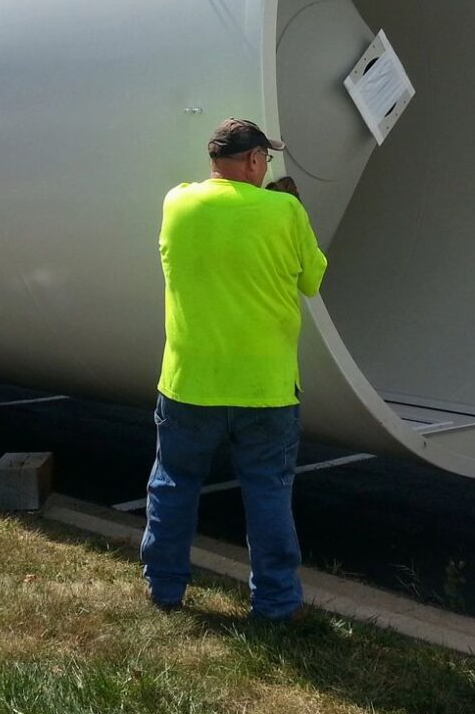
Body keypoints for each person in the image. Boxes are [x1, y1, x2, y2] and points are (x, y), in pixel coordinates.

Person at [140, 118, 328, 620]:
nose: (267, 167)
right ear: (252, 161)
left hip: (189, 383)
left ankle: (164, 590)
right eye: (265, 159)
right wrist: (294, 211)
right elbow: (313, 279)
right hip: (265, 389)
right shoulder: (285, 211)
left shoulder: (177, 201)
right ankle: (275, 605)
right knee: (267, 494)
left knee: (173, 485)